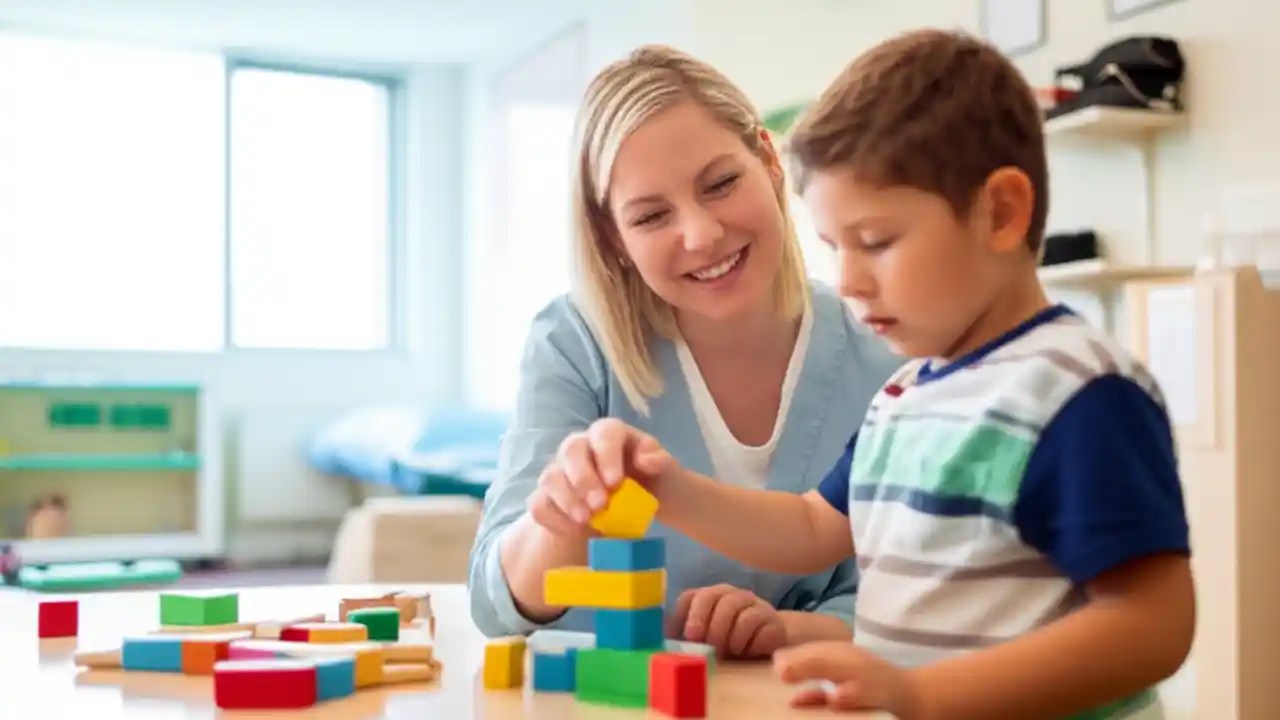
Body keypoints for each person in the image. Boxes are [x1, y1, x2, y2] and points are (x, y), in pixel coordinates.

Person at [542, 29, 1195, 719]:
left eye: (876, 243)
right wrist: (666, 489)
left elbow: (1153, 625)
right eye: (833, 246)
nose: (847, 281)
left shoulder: (1076, 393)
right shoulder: (904, 398)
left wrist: (919, 693)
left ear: (1001, 213)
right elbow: (805, 527)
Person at [465, 44, 903, 657]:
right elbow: (494, 604)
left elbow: (903, 590)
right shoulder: (574, 343)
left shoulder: (883, 355)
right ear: (612, 237)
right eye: (649, 217)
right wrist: (557, 521)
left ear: (769, 161)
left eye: (721, 184)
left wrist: (789, 629)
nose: (701, 235)